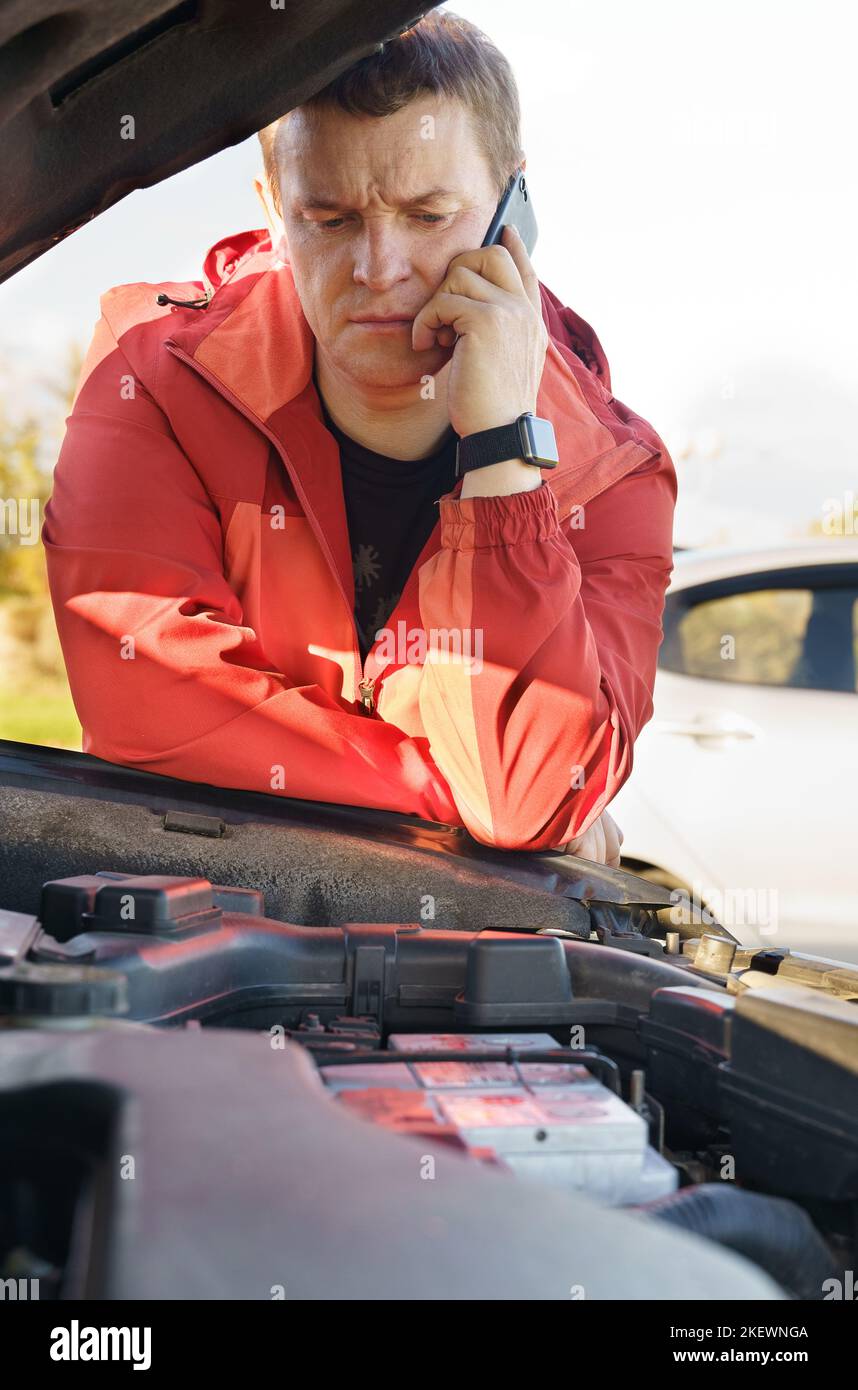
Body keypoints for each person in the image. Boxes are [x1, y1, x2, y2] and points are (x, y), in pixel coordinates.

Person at [42, 11, 675, 863]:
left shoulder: (614, 473)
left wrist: (501, 453)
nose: (379, 268)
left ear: (511, 209)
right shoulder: (149, 378)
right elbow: (148, 713)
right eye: (330, 219)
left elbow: (524, 790)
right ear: (273, 210)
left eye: (427, 214)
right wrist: (452, 804)